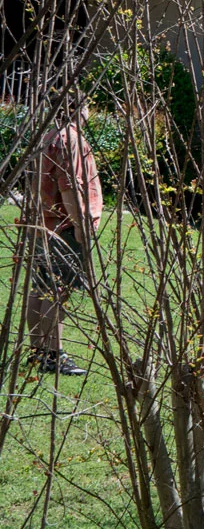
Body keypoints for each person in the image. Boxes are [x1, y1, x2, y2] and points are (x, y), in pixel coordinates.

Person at [27, 100, 102, 377]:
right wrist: (81, 225)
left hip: (43, 223)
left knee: (41, 288)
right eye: (87, 106)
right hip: (64, 227)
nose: (88, 112)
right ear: (78, 108)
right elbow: (69, 187)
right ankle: (54, 356)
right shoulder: (70, 138)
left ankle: (38, 352)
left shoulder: (47, 135)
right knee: (57, 292)